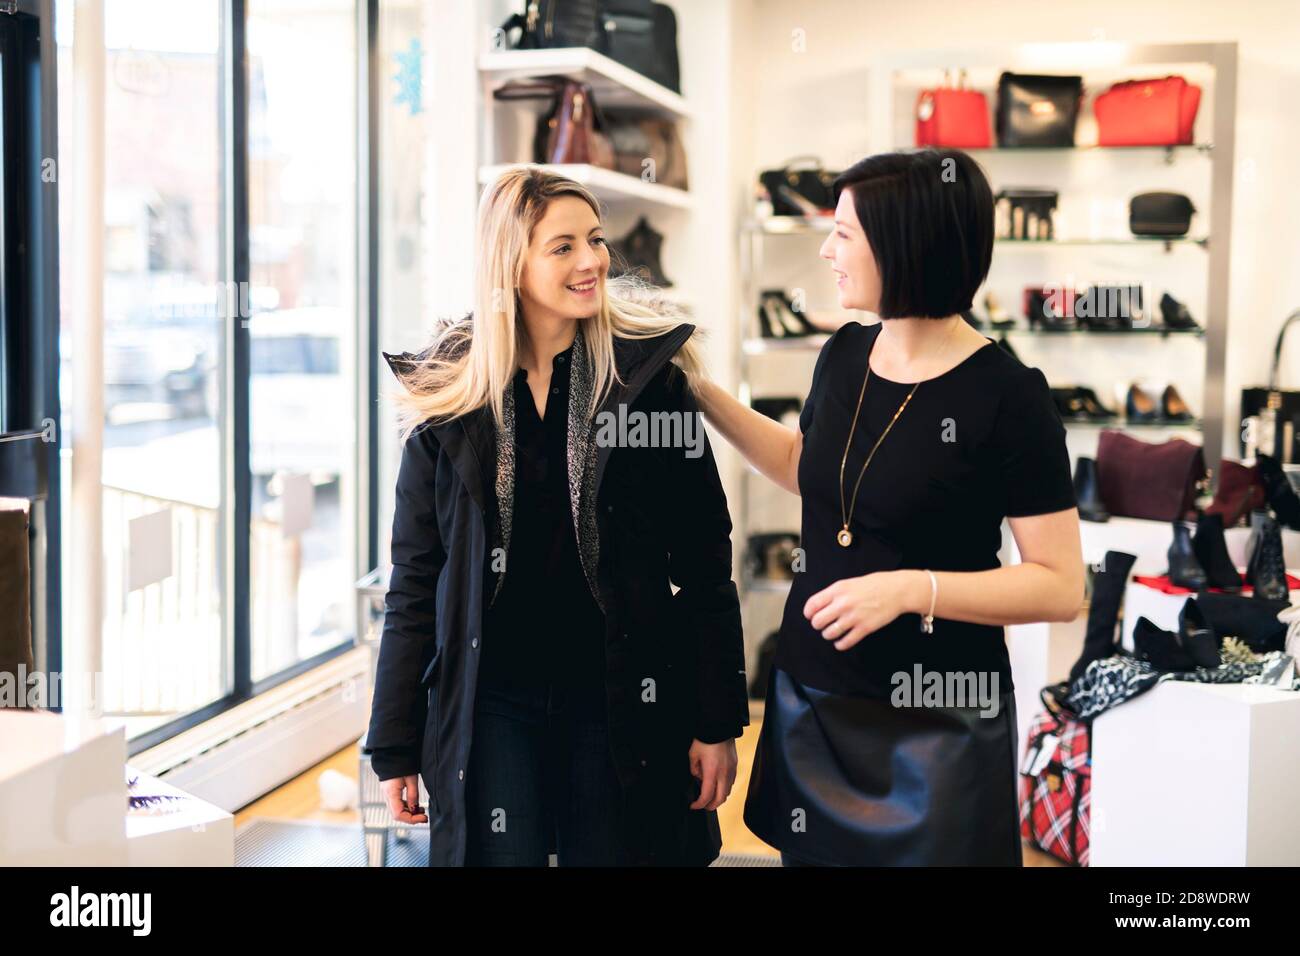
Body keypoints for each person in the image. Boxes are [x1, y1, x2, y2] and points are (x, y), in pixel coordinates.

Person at [692, 148, 1085, 866]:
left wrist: (911, 590)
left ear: (905, 242)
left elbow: (1061, 585)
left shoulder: (1009, 397)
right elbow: (802, 466)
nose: (825, 250)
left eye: (843, 233)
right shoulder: (843, 355)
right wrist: (703, 393)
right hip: (815, 698)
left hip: (936, 722)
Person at [365, 167, 749, 866]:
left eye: (596, 241)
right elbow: (415, 581)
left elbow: (703, 561)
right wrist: (394, 742)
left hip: (619, 692)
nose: (593, 260)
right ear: (511, 261)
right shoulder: (449, 395)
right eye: (563, 246)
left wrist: (715, 718)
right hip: (493, 699)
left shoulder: (649, 385)